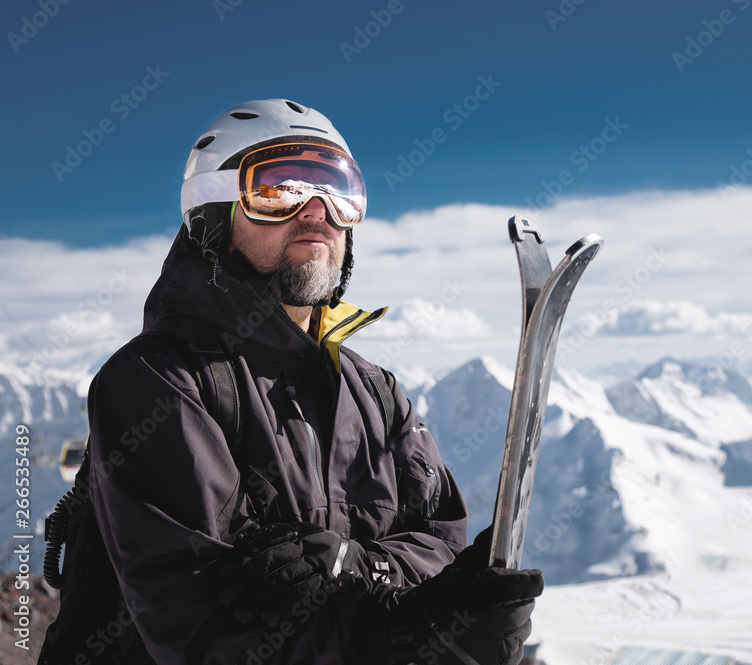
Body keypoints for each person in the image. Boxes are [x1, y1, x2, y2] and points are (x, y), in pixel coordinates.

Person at [85, 98, 543, 664]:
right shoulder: (158, 380)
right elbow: (198, 626)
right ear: (213, 216)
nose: (317, 211)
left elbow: (442, 543)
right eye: (279, 189)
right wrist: (402, 632)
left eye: (339, 191)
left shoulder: (377, 393)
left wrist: (364, 567)